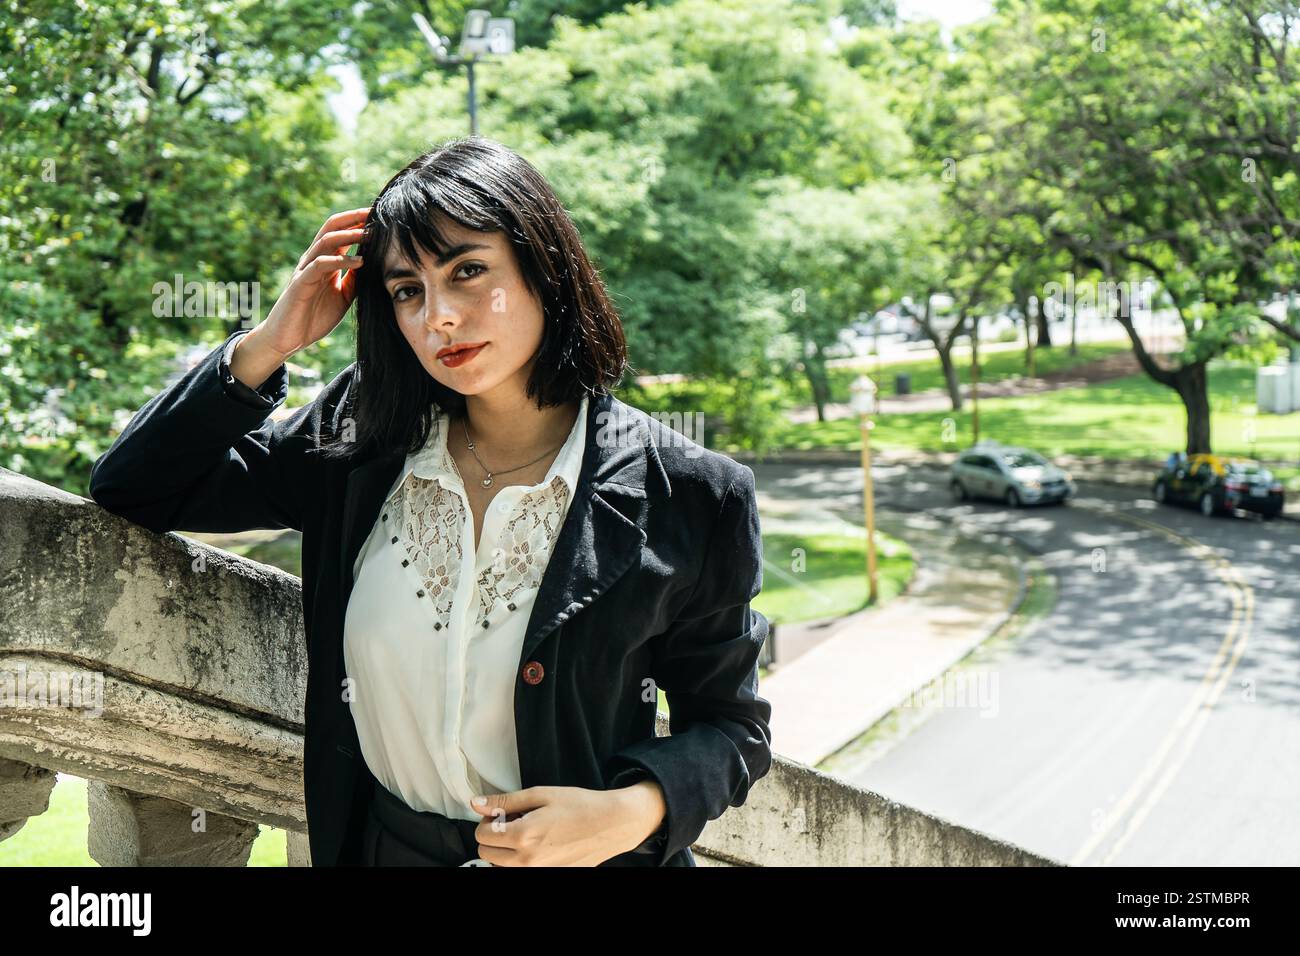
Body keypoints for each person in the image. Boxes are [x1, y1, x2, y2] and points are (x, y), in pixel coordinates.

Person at [89, 136, 773, 866]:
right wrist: (269, 342)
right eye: (407, 289)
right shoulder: (360, 442)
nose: (437, 316)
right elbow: (135, 486)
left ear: (546, 269)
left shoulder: (692, 491)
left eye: (469, 272)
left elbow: (732, 728)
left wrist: (636, 809)